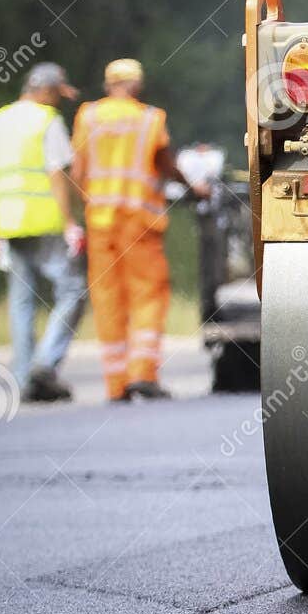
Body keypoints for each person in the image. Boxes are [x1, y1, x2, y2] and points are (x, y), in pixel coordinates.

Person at [71, 58, 209, 402]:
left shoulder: (87, 116)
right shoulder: (149, 118)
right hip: (138, 222)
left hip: (101, 221)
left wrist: (83, 210)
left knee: (107, 298)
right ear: (136, 85)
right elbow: (165, 163)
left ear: (108, 84)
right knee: (147, 294)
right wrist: (194, 187)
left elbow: (77, 170)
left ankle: (116, 383)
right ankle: (143, 375)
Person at [0, 63, 88, 402]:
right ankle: (44, 364)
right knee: (73, 290)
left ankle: (24, 380)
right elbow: (57, 172)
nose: (58, 102)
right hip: (44, 221)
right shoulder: (45, 121)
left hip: (8, 223)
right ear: (48, 90)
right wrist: (70, 221)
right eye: (58, 94)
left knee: (21, 301)